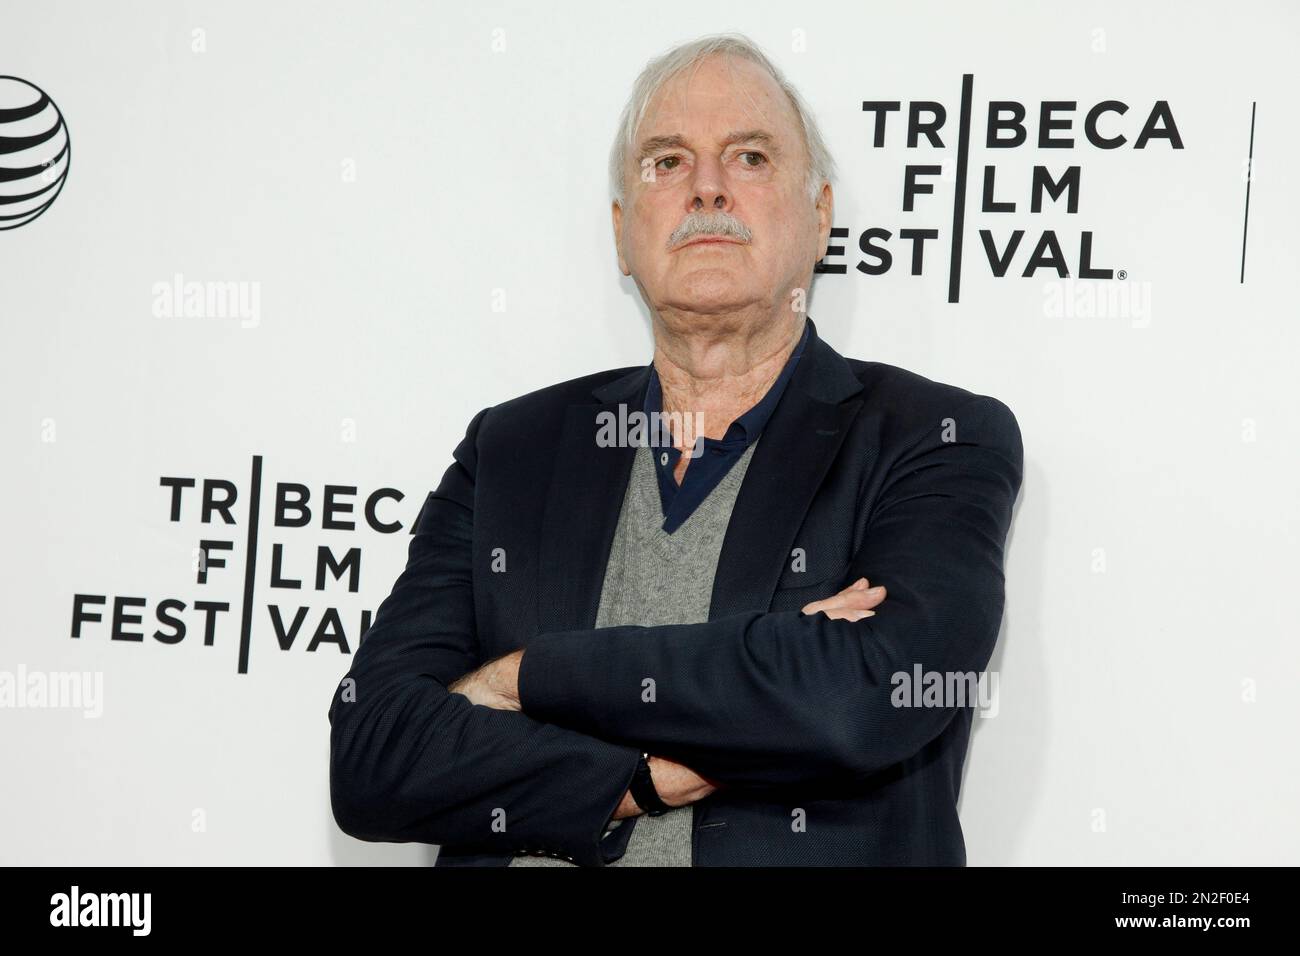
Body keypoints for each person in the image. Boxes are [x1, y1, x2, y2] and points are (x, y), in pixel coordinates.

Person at [328, 32, 1024, 867]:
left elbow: (856, 700)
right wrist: (646, 773)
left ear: (820, 217)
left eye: (751, 157)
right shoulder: (511, 448)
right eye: (666, 163)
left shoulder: (933, 439)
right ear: (624, 235)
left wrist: (516, 681)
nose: (706, 189)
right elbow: (371, 756)